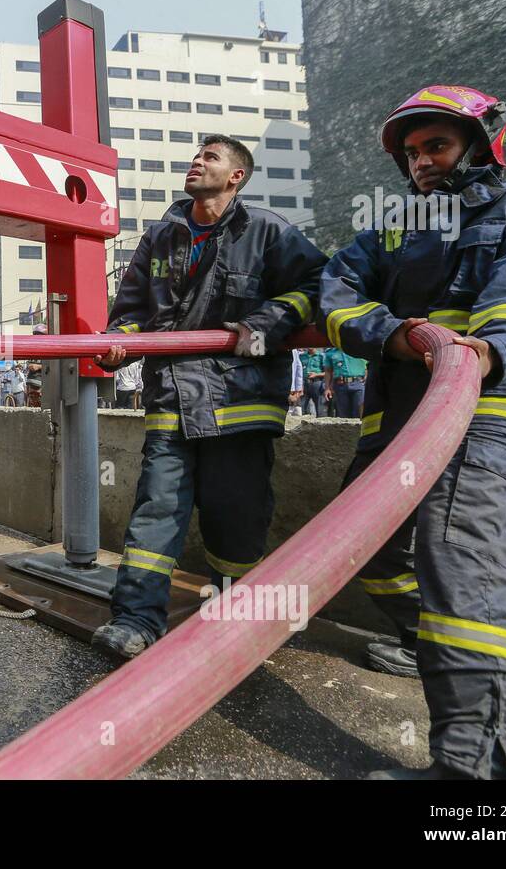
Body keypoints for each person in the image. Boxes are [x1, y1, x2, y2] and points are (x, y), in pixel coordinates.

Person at [321, 84, 506, 780]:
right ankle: (436, 647)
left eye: (435, 145)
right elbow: (339, 292)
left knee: (460, 570)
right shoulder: (395, 228)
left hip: (491, 411)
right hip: (406, 423)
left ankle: (492, 780)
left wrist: (486, 351)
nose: (420, 164)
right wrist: (395, 334)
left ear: (482, 143)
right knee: (373, 551)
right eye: (411, 154)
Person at [89, 134, 326, 659]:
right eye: (196, 155)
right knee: (156, 509)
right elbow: (130, 310)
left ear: (236, 176)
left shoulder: (266, 231)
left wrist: (266, 322)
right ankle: (135, 620)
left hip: (239, 401)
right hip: (172, 397)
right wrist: (121, 343)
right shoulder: (161, 236)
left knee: (235, 516)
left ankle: (236, 618)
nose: (197, 162)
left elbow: (319, 283)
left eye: (210, 158)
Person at [324, 347, 367, 418]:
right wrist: (327, 388)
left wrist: (367, 375)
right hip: (340, 385)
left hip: (358, 384)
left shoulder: (360, 349)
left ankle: (358, 429)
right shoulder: (330, 353)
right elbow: (328, 371)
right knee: (343, 415)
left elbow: (369, 363)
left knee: (359, 413)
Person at [299, 347, 328, 417]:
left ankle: (321, 425)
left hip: (317, 383)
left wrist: (316, 374)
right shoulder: (302, 356)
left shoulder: (321, 356)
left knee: (320, 408)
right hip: (304, 384)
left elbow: (327, 372)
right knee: (301, 408)